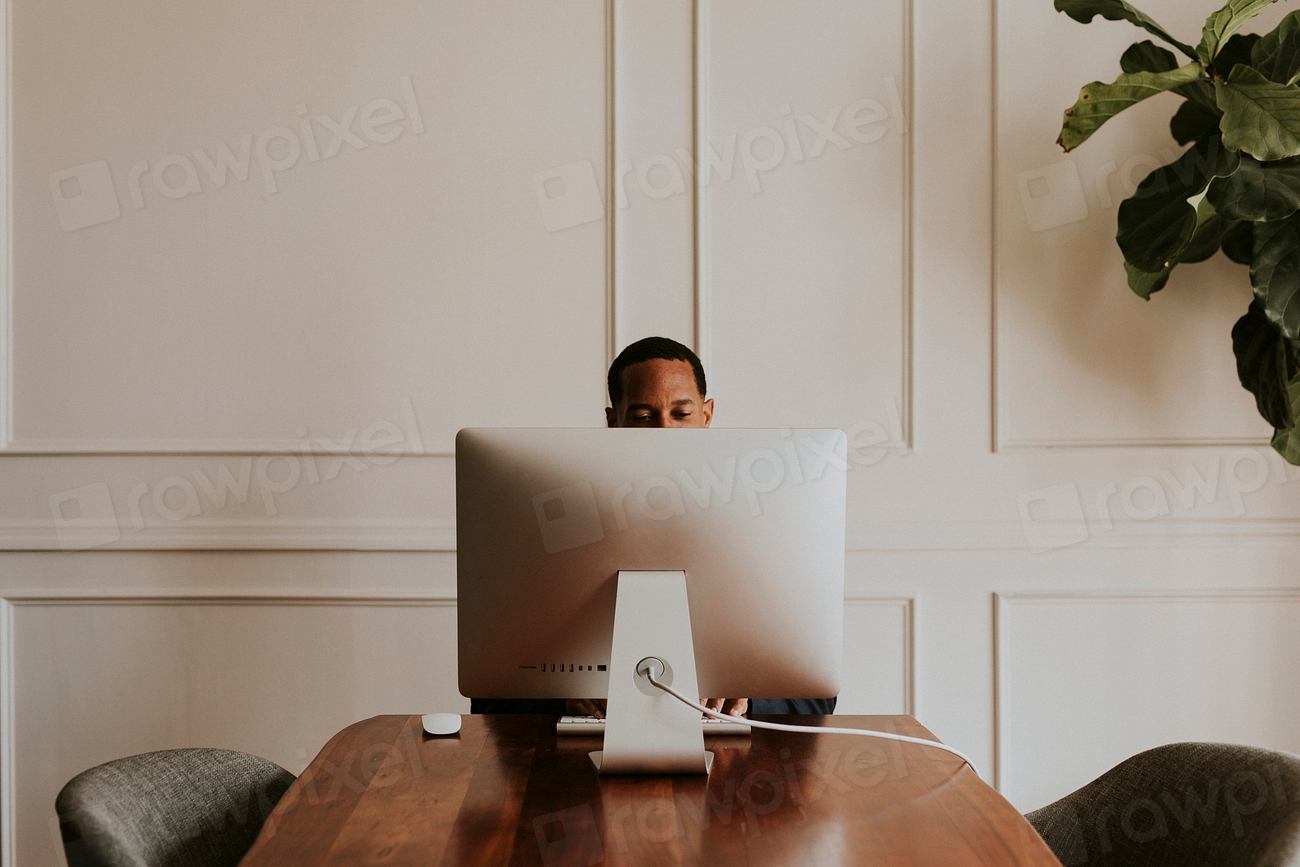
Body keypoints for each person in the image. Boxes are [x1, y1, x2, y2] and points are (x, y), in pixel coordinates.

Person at [470, 336, 836, 717]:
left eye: (681, 414)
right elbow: (489, 693)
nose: (664, 431)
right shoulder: (555, 520)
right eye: (644, 417)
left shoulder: (771, 520)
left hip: (728, 748)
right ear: (614, 421)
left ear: (707, 415)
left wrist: (750, 697)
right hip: (587, 745)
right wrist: (561, 696)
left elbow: (819, 694)